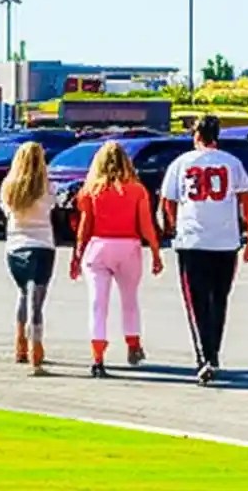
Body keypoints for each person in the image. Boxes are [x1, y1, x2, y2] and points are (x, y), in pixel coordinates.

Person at [161, 115, 248, 386]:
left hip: (192, 241)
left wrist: (172, 227)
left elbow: (168, 201)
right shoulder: (232, 163)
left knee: (196, 302)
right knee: (219, 300)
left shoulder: (181, 163)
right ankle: (212, 353)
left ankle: (204, 357)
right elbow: (246, 200)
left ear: (196, 135)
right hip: (225, 241)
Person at [71, 141, 163, 378]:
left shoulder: (91, 190)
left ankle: (98, 357)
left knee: (97, 304)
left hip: (98, 247)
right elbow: (145, 224)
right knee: (130, 300)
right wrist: (155, 251)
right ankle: (133, 344)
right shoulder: (137, 190)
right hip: (129, 247)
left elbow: (85, 226)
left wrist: (76, 254)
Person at [0, 141, 56, 376]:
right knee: (38, 300)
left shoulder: (8, 186)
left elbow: (5, 210)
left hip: (15, 247)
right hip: (41, 245)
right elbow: (53, 206)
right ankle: (36, 347)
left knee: (23, 294)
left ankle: (20, 342)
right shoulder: (46, 187)